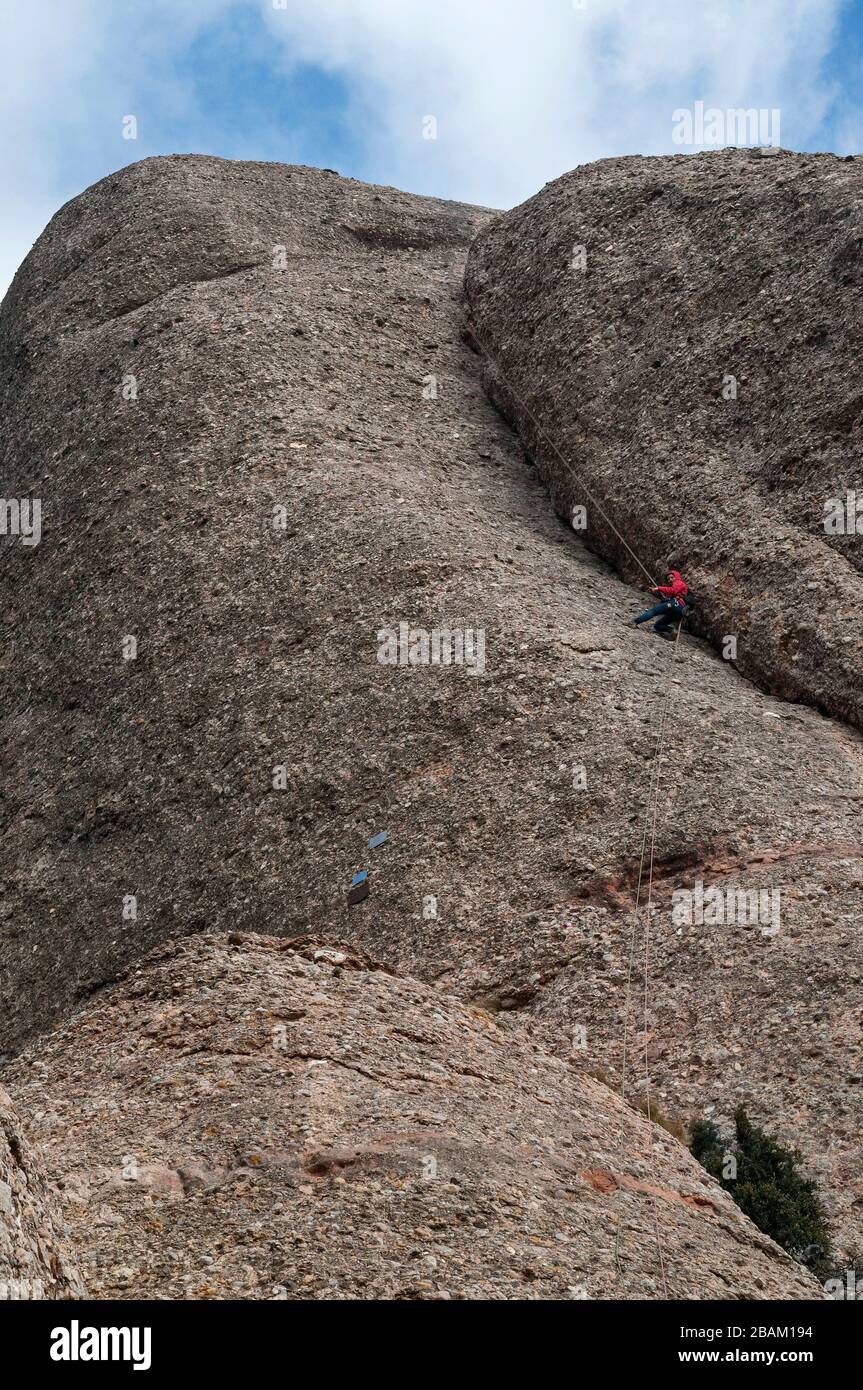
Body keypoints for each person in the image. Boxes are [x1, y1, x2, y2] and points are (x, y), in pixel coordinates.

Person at [632, 569, 689, 639]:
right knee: (658, 625)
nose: (670, 580)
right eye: (668, 579)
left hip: (675, 603)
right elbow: (673, 593)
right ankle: (672, 630)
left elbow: (672, 590)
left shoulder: (679, 582)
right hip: (679, 611)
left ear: (676, 577)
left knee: (653, 611)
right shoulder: (680, 587)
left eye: (672, 577)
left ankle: (634, 623)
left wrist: (658, 588)